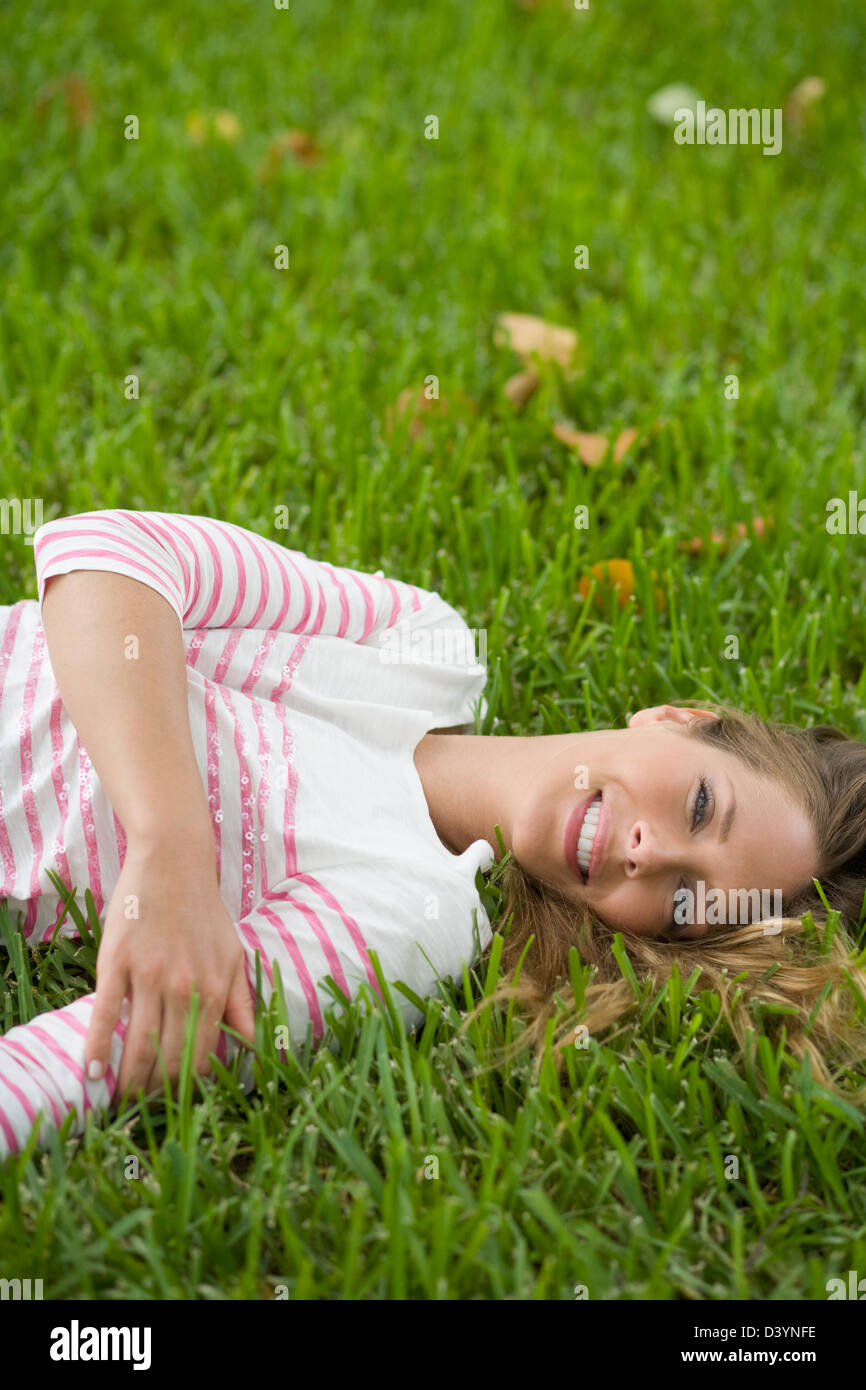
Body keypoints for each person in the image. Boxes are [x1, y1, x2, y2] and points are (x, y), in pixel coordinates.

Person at [0, 509, 863, 1157]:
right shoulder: (418, 643)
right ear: (679, 718)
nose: (654, 853)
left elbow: (111, 1050)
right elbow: (104, 553)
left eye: (684, 901)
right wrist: (171, 850)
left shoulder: (416, 921)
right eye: (705, 807)